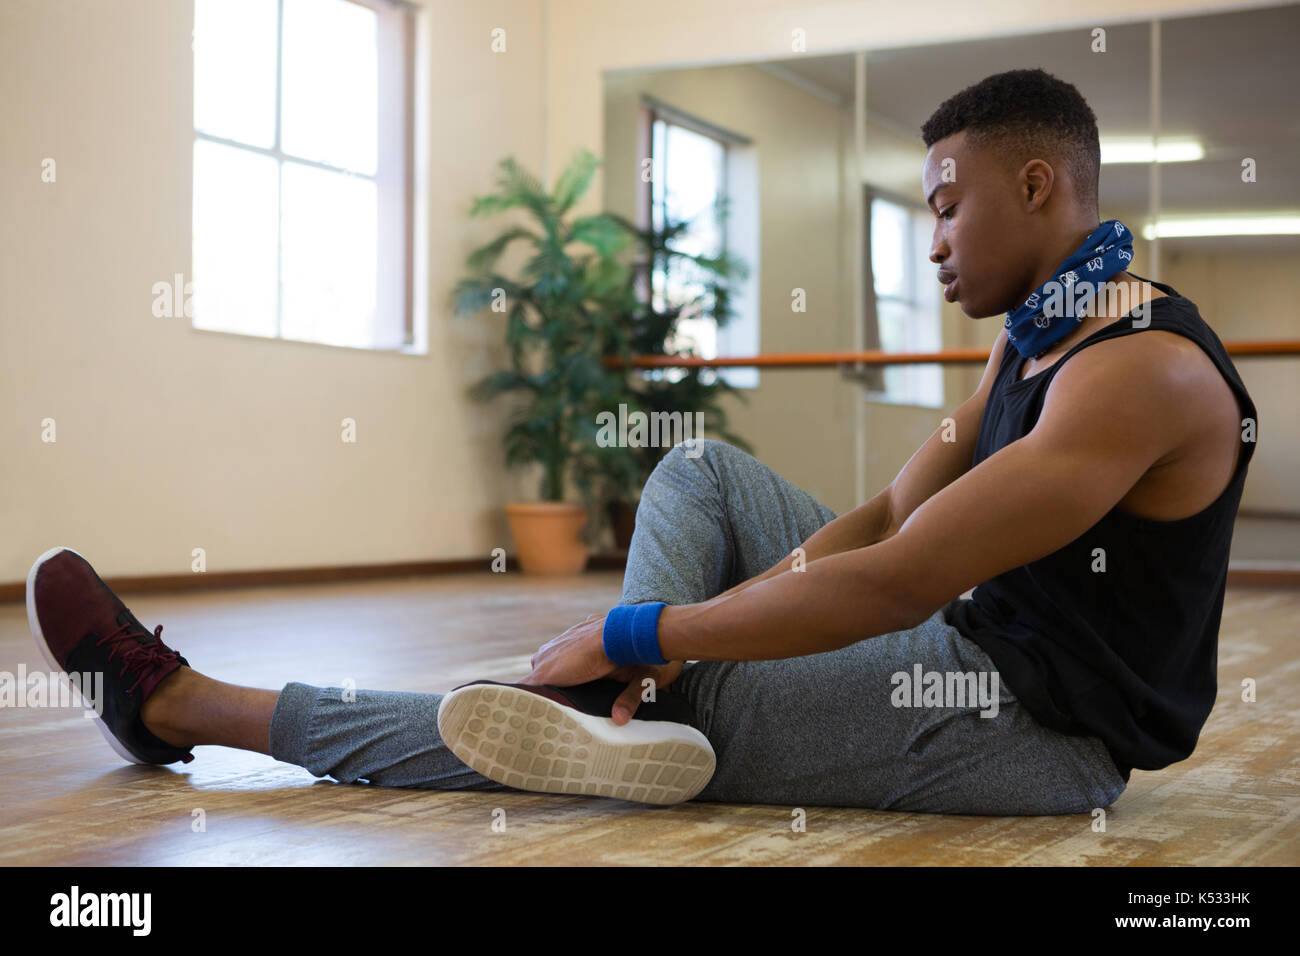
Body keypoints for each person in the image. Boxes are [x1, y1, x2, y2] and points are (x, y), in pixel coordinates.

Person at [26, 68, 1257, 815]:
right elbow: (885, 514)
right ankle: (628, 710)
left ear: (1038, 186)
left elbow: (902, 577)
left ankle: (188, 706)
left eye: (946, 207)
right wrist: (661, 650)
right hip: (965, 640)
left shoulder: (1137, 371)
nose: (933, 242)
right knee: (699, 468)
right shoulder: (1031, 336)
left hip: (1034, 733)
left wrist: (642, 633)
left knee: (638, 701)